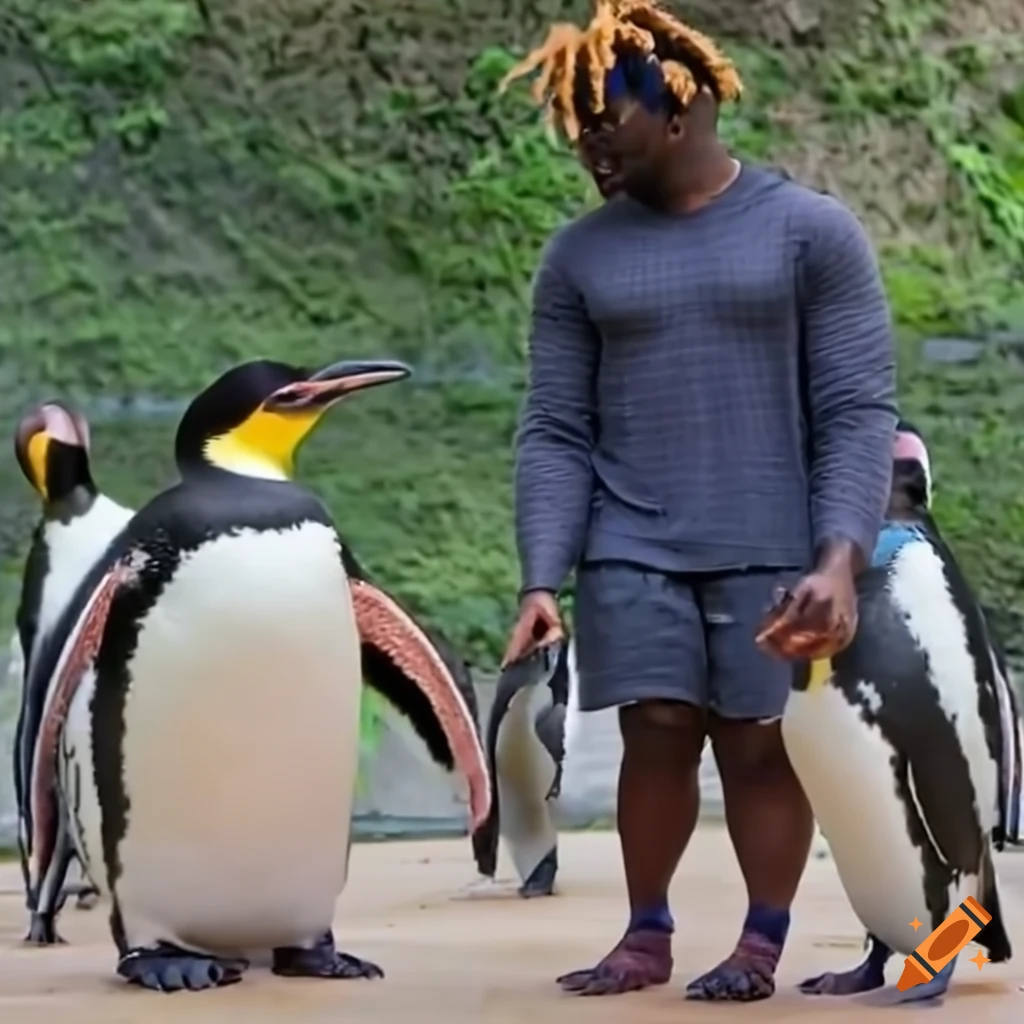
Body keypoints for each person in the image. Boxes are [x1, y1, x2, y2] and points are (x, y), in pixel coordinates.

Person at [499, 0, 899, 1003]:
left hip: (773, 541)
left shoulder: (810, 234)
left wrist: (836, 556)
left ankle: (759, 942)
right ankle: (646, 933)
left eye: (606, 119)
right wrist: (541, 574)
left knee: (758, 741)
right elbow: (554, 426)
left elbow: (856, 408)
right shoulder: (578, 258)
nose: (588, 139)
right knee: (657, 727)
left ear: (676, 115)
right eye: (577, 122)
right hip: (631, 539)